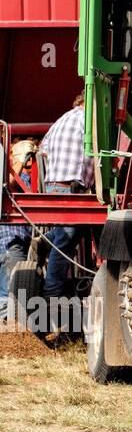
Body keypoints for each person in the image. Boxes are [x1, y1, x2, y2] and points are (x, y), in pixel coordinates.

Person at [39, 92, 95, 300]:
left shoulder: (61, 119)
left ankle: (45, 241)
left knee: (69, 232)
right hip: (70, 187)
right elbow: (100, 152)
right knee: (66, 241)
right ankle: (52, 293)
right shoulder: (88, 120)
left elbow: (42, 149)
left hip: (53, 185)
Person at [0, 140, 36, 322]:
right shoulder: (7, 176)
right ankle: (8, 338)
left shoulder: (25, 178)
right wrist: (20, 161)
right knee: (9, 296)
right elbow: (7, 181)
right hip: (9, 244)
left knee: (7, 295)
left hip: (13, 245)